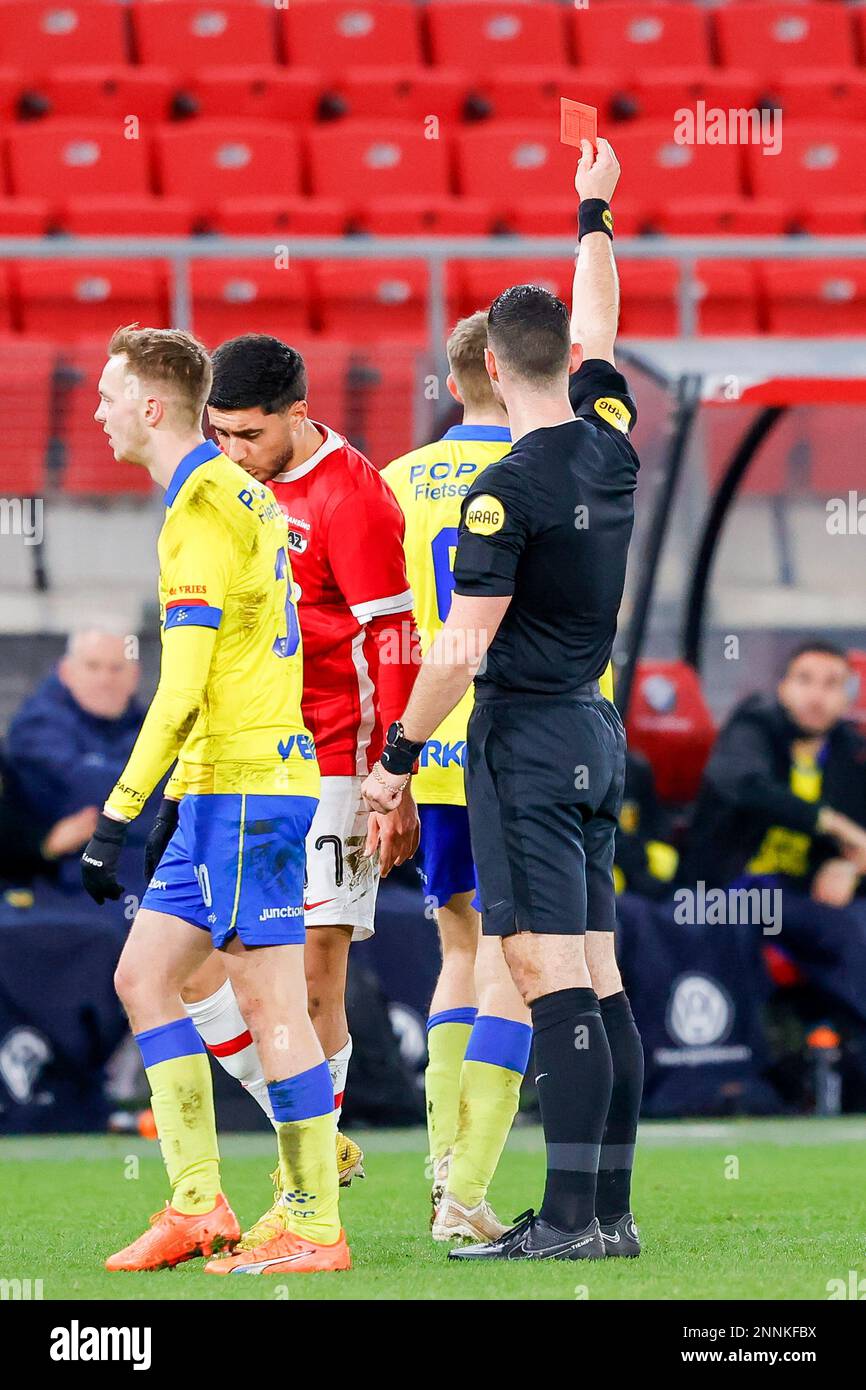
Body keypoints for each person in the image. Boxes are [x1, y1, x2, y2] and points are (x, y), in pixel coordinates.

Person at [364, 138, 644, 1261]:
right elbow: (603, 324)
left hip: (523, 740)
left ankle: (572, 1221)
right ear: (568, 361)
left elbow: (461, 649)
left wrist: (393, 754)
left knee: (543, 978)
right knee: (601, 975)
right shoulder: (609, 447)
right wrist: (594, 210)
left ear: (481, 358)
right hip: (593, 728)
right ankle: (606, 1213)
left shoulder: (502, 490)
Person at [81, 324, 349, 1276]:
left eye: (112, 393)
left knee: (271, 996)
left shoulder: (200, 507)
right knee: (144, 976)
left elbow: (185, 685)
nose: (101, 409)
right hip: (220, 788)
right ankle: (201, 1205)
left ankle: (314, 1220)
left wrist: (119, 810)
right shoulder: (244, 493)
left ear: (153, 406)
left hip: (244, 788)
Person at [146, 334, 419, 1244]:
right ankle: (317, 1143)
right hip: (242, 764)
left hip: (334, 761)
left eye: (248, 434)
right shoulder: (232, 489)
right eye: (216, 432)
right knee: (185, 972)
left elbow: (393, 639)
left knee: (311, 979)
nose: (230, 450)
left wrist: (394, 772)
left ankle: (303, 1203)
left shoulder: (354, 496)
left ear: (299, 413)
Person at [681, 640, 866, 900]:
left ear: (848, 700)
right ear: (782, 689)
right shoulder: (753, 725)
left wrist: (848, 868)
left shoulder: (852, 753)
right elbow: (744, 785)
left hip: (803, 895)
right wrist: (832, 823)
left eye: (831, 684)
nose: (816, 696)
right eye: (804, 680)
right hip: (725, 892)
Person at [4, 626, 154, 894]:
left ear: (135, 676)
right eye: (93, 666)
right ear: (66, 671)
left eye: (116, 668)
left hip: (148, 872)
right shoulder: (37, 724)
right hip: (61, 880)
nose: (105, 679)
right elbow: (77, 790)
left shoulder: (156, 725)